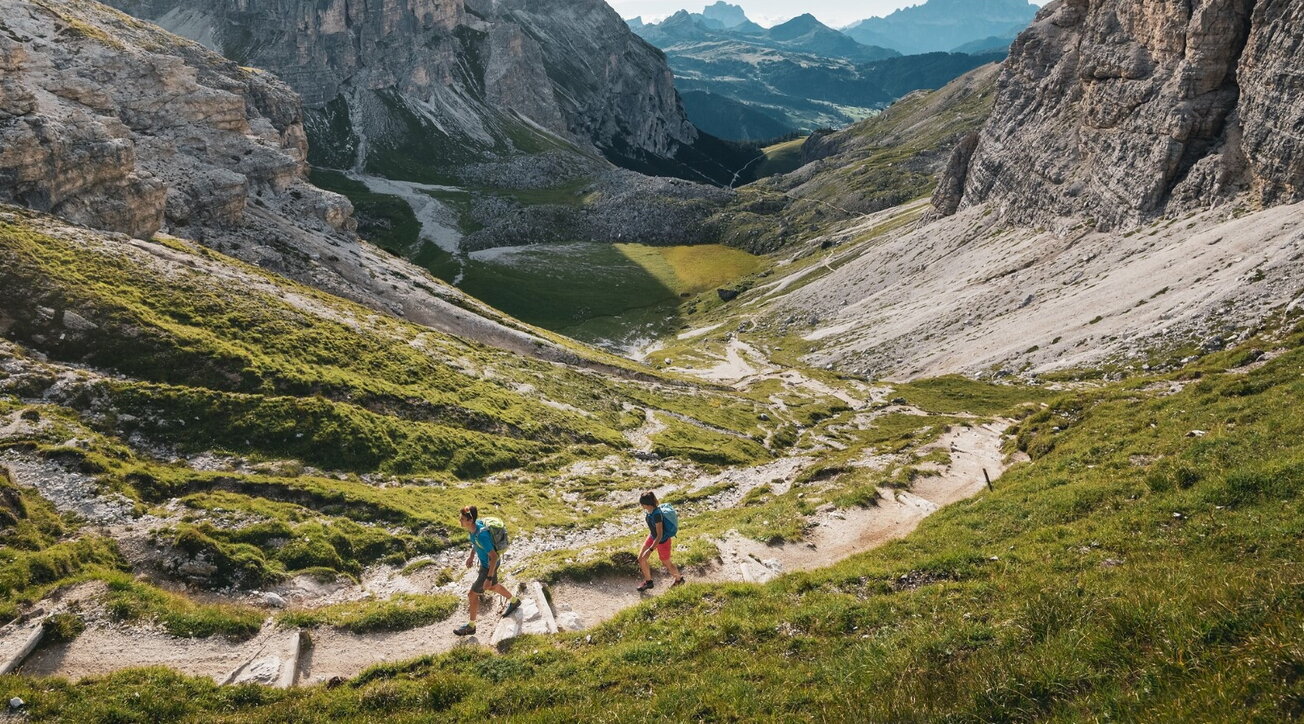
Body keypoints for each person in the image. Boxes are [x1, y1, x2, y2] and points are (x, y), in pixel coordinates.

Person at [453, 506, 521, 636]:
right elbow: (475, 543)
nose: (460, 520)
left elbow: (494, 556)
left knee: (472, 594)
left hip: (489, 566)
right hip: (486, 564)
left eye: (462, 519)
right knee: (492, 586)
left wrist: (489, 577)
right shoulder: (474, 528)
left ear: (470, 520)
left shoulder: (481, 535)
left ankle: (471, 626)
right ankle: (514, 601)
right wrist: (471, 556)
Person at [636, 491, 684, 592]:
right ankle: (649, 582)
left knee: (666, 562)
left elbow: (660, 535)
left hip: (662, 541)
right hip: (652, 536)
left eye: (642, 504)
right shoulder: (649, 511)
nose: (641, 506)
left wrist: (650, 550)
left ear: (646, 504)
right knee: (641, 558)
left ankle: (679, 579)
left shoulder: (657, 515)